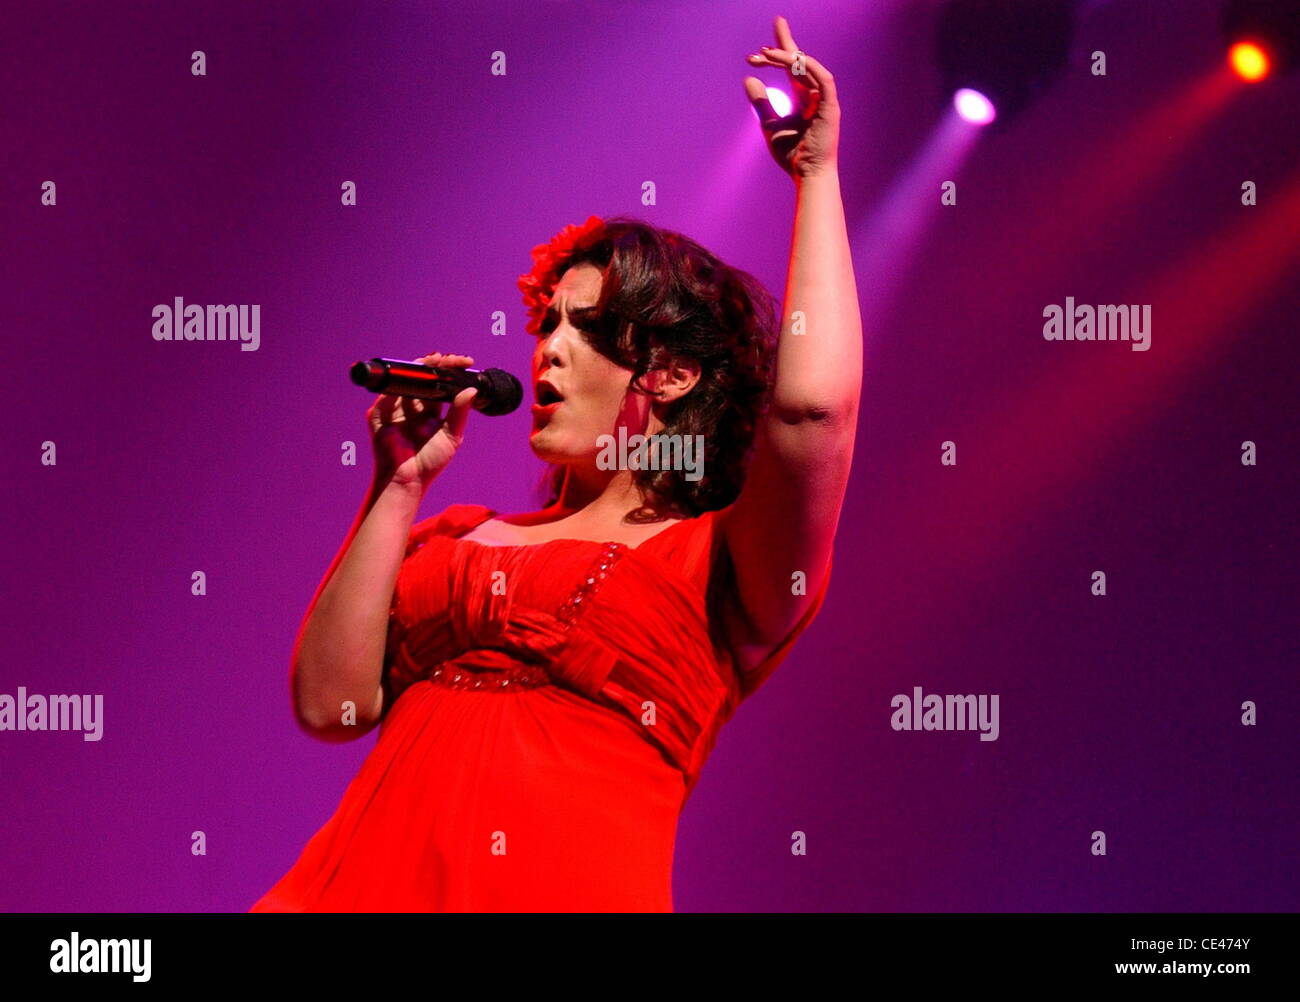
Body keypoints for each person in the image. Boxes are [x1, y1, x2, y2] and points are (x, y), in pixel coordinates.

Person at [250, 15, 860, 912]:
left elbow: (812, 411)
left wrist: (817, 176)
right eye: (547, 325)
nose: (546, 351)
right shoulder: (458, 534)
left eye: (587, 330)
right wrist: (397, 485)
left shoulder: (722, 565)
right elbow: (328, 708)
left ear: (674, 373)